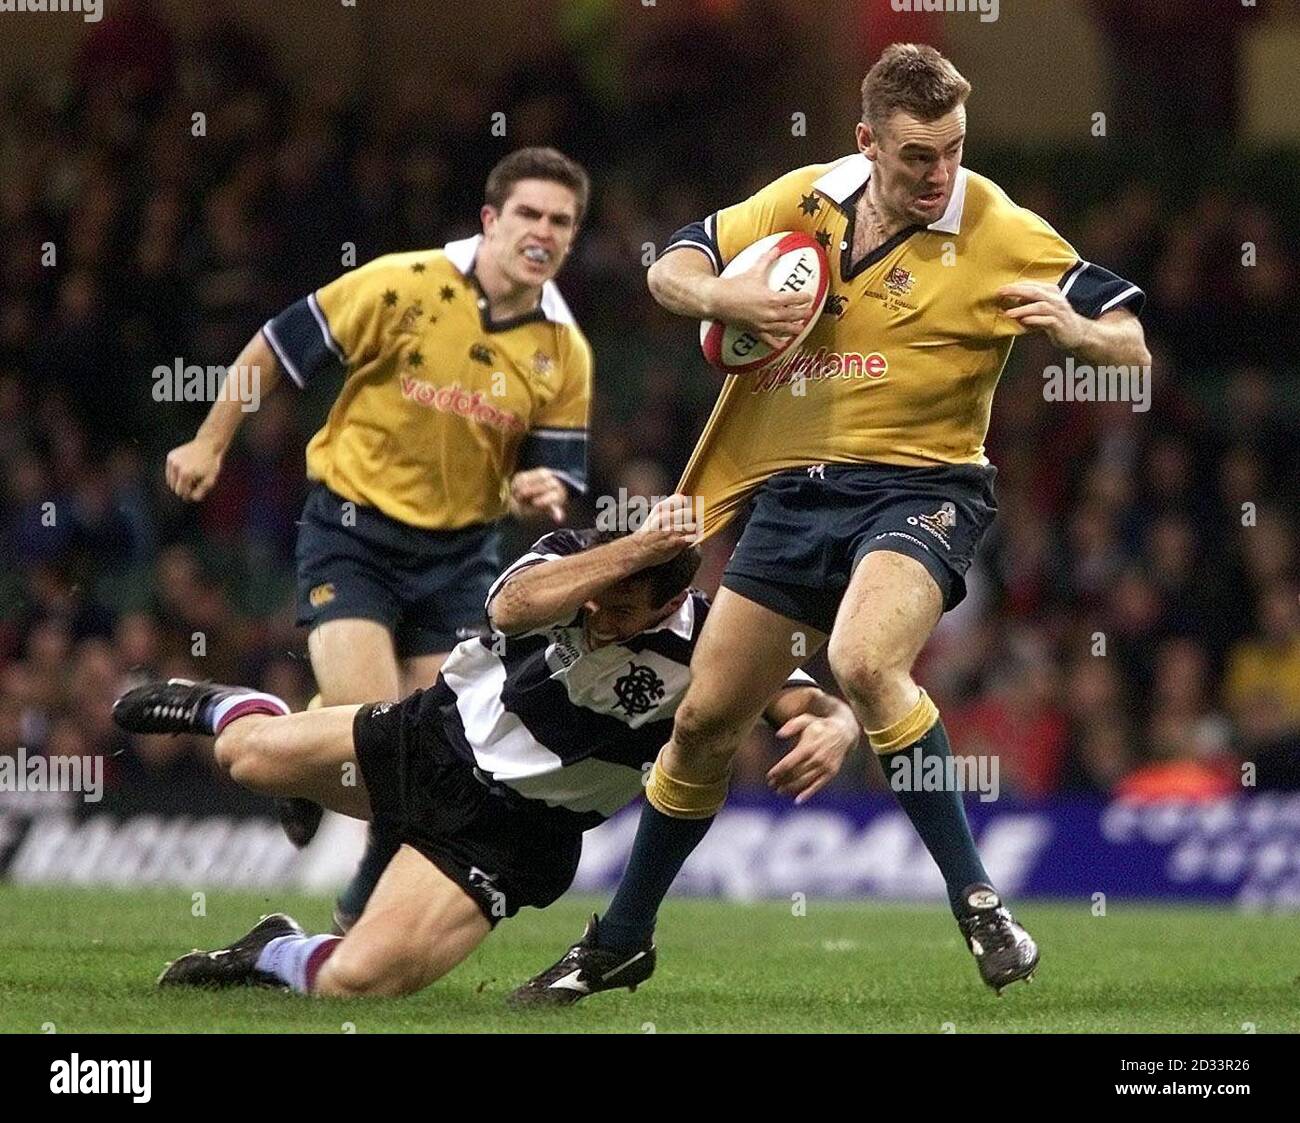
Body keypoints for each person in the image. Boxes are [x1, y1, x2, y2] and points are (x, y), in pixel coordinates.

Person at [516, 43, 1150, 1002]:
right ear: (867, 142)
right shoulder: (809, 198)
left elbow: (1135, 349)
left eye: (952, 149)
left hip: (924, 489)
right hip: (795, 494)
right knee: (700, 722)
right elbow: (673, 266)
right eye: (916, 156)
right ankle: (621, 940)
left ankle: (979, 902)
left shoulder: (998, 225)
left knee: (861, 660)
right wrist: (726, 295)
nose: (940, 174)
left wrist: (1082, 335)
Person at [111, 499, 859, 999]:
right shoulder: (570, 558)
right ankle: (223, 703)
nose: (598, 618)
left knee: (356, 980)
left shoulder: (711, 639)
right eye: (598, 600)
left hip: (508, 836)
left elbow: (808, 698)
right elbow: (510, 605)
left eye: (625, 610)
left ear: (669, 604)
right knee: (241, 756)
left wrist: (835, 725)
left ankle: (270, 947)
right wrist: (629, 552)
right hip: (429, 737)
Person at [162, 147, 594, 931]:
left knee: (438, 754)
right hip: (353, 532)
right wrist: (209, 441)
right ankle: (301, 762)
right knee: (376, 725)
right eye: (529, 213)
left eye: (561, 220)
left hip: (463, 558)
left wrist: (544, 490)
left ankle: (348, 879)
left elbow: (558, 476)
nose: (544, 231)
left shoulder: (565, 350)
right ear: (491, 220)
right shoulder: (404, 281)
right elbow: (279, 345)